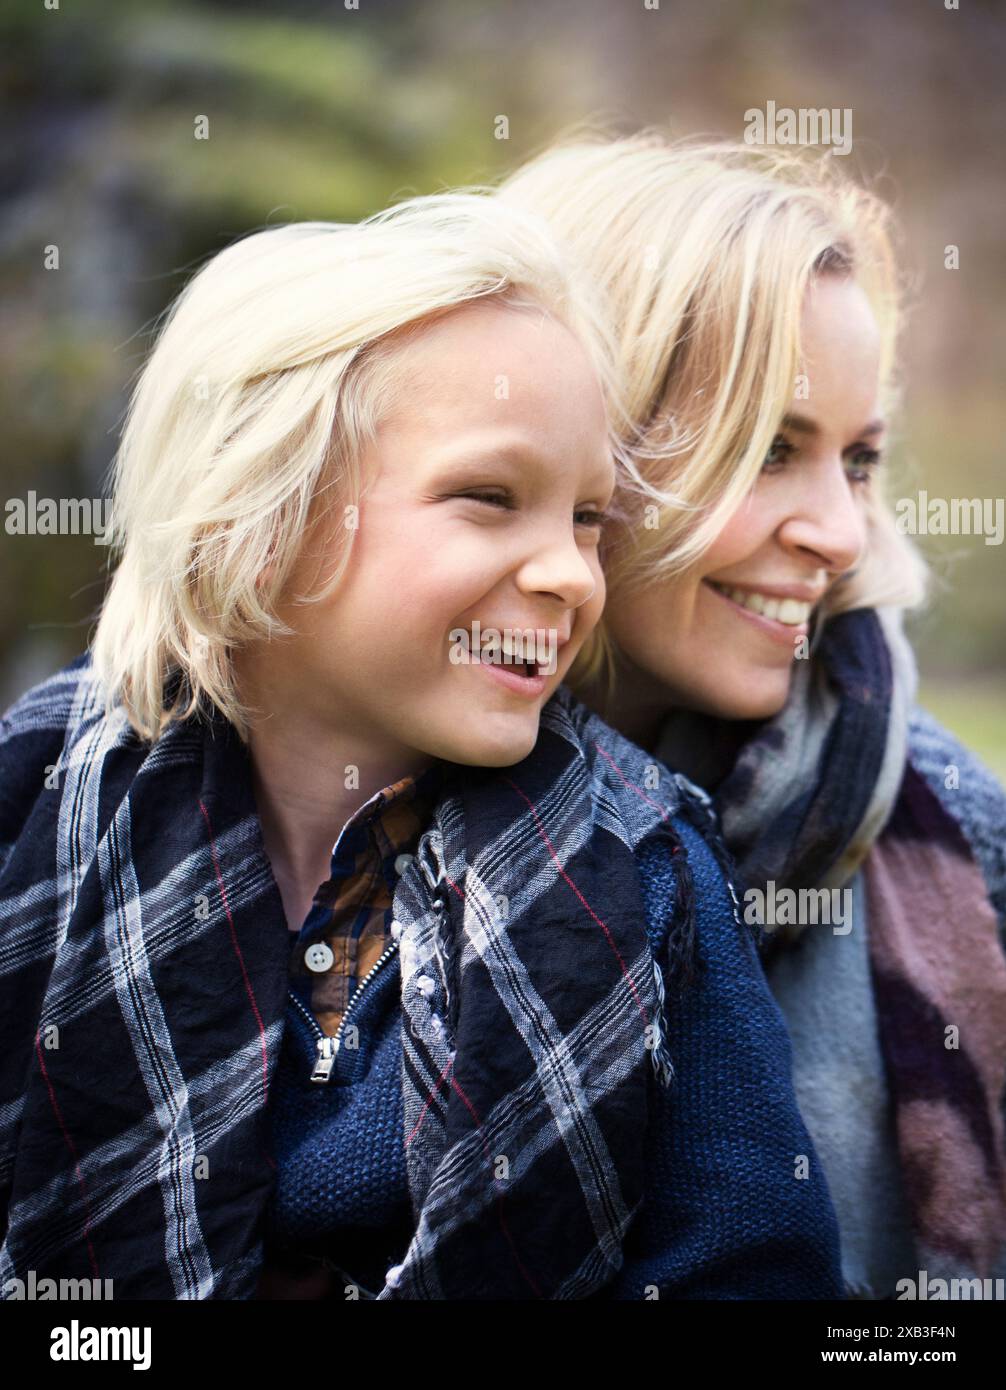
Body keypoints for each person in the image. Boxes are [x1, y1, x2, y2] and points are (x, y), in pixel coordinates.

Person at [0, 191, 842, 1301]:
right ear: (256, 521)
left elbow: (750, 1265)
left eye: (588, 517)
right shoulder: (42, 794)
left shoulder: (643, 864)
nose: (569, 573)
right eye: (490, 498)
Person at [500, 132, 1006, 1298]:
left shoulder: (953, 833)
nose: (838, 532)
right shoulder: (325, 808)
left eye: (860, 459)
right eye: (769, 448)